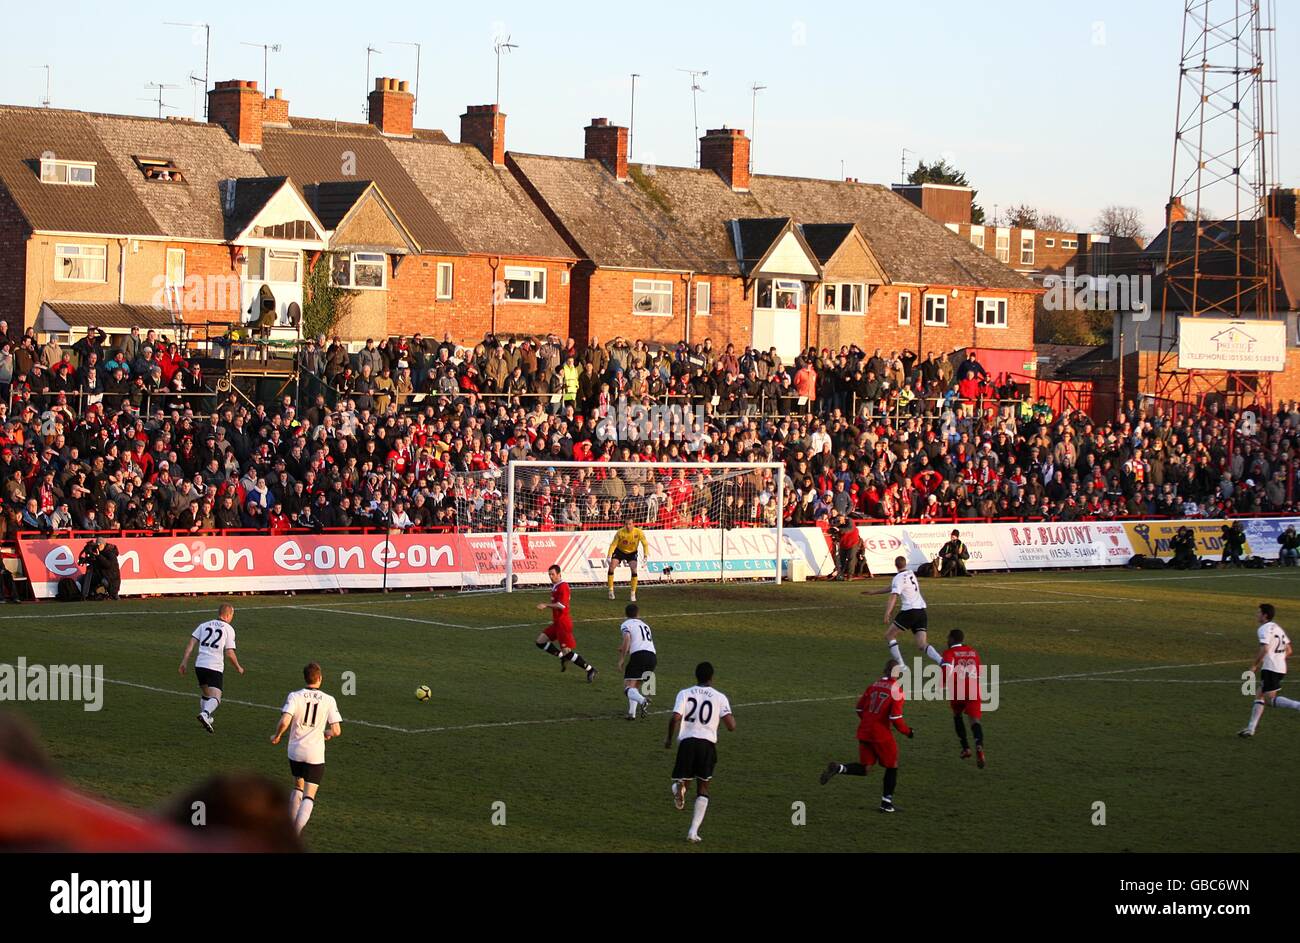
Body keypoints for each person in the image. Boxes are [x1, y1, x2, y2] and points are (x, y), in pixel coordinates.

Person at [819, 660, 912, 814]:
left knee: (865, 768)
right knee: (892, 765)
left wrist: (869, 720)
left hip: (865, 731)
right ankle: (886, 804)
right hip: (881, 734)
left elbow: (859, 708)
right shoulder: (896, 690)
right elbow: (896, 719)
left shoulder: (873, 685)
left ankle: (839, 768)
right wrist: (908, 732)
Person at [665, 661, 735, 843]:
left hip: (687, 743)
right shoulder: (719, 697)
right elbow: (731, 726)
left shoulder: (685, 693)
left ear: (696, 676)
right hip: (706, 745)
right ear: (712, 678)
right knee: (703, 787)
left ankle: (677, 787)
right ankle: (693, 832)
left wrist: (668, 739)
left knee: (685, 781)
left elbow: (675, 718)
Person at [270, 662, 342, 834]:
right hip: (315, 754)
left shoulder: (294, 696)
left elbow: (285, 721)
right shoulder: (329, 699)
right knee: (309, 795)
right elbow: (337, 730)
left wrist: (278, 735)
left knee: (297, 786)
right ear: (320, 678)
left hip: (295, 751)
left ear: (305, 678)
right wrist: (328, 732)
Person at [862, 555, 944, 670]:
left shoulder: (898, 578)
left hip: (909, 611)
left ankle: (901, 665)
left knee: (889, 635)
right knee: (922, 644)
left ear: (895, 566)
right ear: (905, 564)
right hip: (921, 612)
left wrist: (887, 613)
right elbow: (893, 587)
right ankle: (942, 661)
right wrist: (874, 592)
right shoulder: (911, 574)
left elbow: (894, 595)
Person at [178, 604, 244, 733]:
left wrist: (184, 662)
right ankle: (205, 714)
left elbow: (191, 644)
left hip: (200, 665)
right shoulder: (228, 629)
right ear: (229, 615)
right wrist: (238, 667)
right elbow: (230, 653)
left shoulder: (204, 625)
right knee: (216, 697)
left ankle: (206, 717)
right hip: (214, 666)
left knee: (206, 693)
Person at [1239, 603, 1300, 737]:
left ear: (1265, 615)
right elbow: (1289, 650)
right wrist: (1277, 657)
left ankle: (1298, 706)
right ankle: (1251, 728)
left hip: (1271, 668)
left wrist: (1255, 665)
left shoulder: (1263, 629)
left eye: (1258, 612)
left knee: (1270, 700)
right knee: (1260, 693)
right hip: (1279, 667)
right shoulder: (1277, 628)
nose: (1256, 614)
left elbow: (1264, 649)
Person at [534, 564, 596, 682]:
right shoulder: (556, 586)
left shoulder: (563, 587)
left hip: (563, 624)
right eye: (549, 574)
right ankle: (562, 656)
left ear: (559, 574)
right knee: (540, 642)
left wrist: (546, 605)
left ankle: (590, 669)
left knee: (568, 652)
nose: (551, 577)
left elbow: (561, 606)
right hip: (557, 623)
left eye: (552, 574)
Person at [941, 629, 985, 767]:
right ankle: (979, 746)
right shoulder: (973, 652)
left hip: (958, 688)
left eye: (948, 638)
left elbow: (946, 670)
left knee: (957, 715)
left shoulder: (949, 653)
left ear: (953, 639)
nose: (947, 640)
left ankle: (965, 747)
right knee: (975, 721)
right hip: (973, 687)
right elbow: (979, 671)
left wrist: (941, 684)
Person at [617, 603, 656, 720]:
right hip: (652, 657)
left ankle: (643, 701)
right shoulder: (645, 625)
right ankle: (632, 714)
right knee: (634, 686)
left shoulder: (626, 624)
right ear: (638, 614)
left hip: (639, 656)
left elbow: (627, 638)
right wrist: (624, 648)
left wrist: (622, 659)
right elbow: (640, 642)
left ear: (626, 614)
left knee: (627, 687)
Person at [606, 517, 649, 601]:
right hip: (620, 551)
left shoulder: (639, 532)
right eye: (626, 524)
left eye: (630, 524)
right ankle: (610, 590)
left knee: (634, 569)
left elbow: (645, 544)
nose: (628, 526)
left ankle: (633, 593)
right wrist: (609, 555)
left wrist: (645, 556)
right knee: (611, 567)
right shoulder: (620, 532)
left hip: (632, 553)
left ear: (633, 524)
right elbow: (613, 545)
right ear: (624, 524)